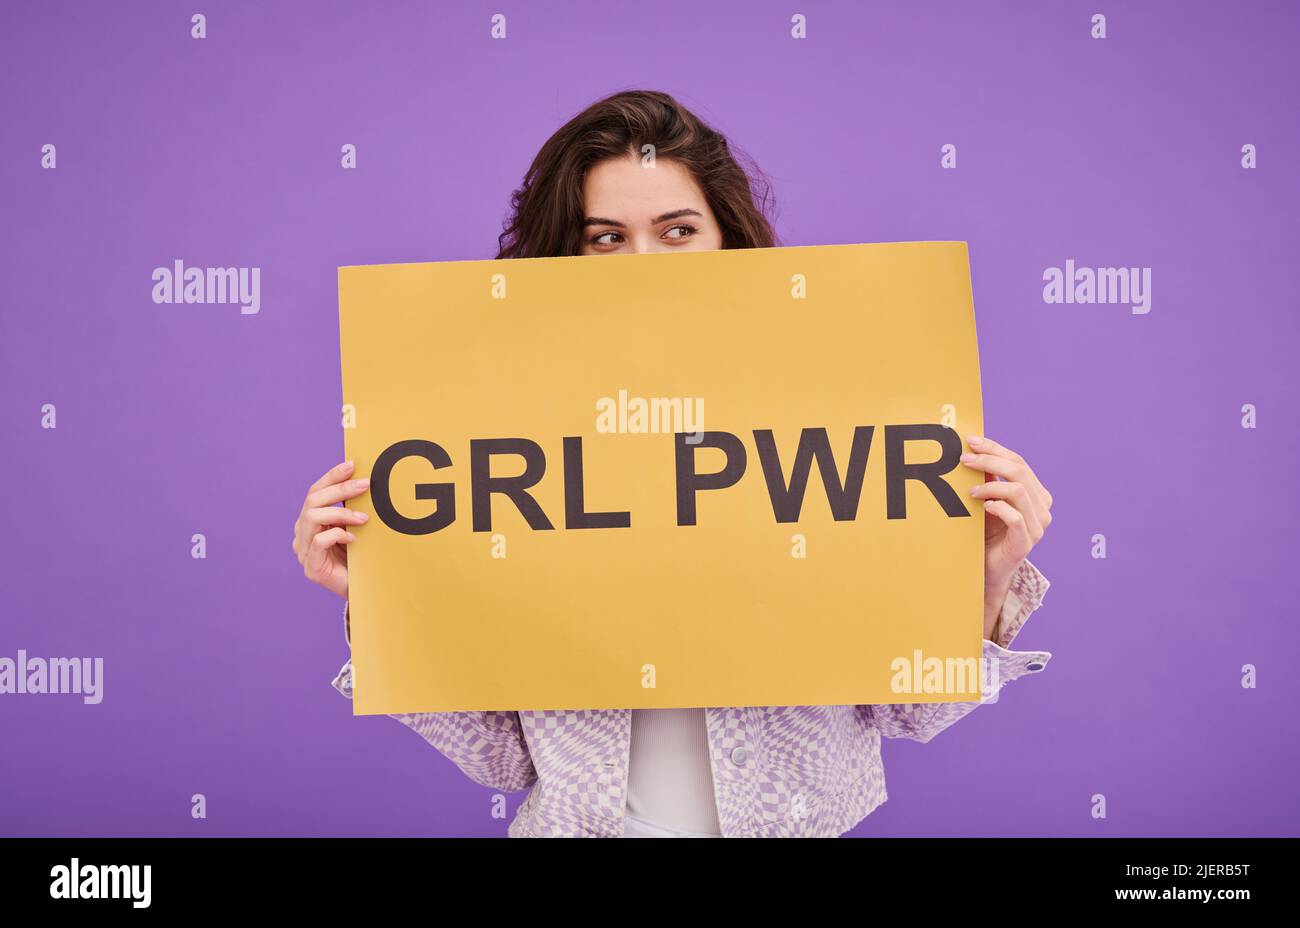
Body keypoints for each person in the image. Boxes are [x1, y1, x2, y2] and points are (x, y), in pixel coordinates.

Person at [292, 89, 1054, 838]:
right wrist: (387, 601)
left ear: (726, 236)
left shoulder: (837, 407)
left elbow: (909, 709)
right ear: (566, 254)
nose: (643, 263)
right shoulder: (490, 436)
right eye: (606, 237)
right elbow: (502, 760)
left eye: (677, 229)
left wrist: (983, 576)